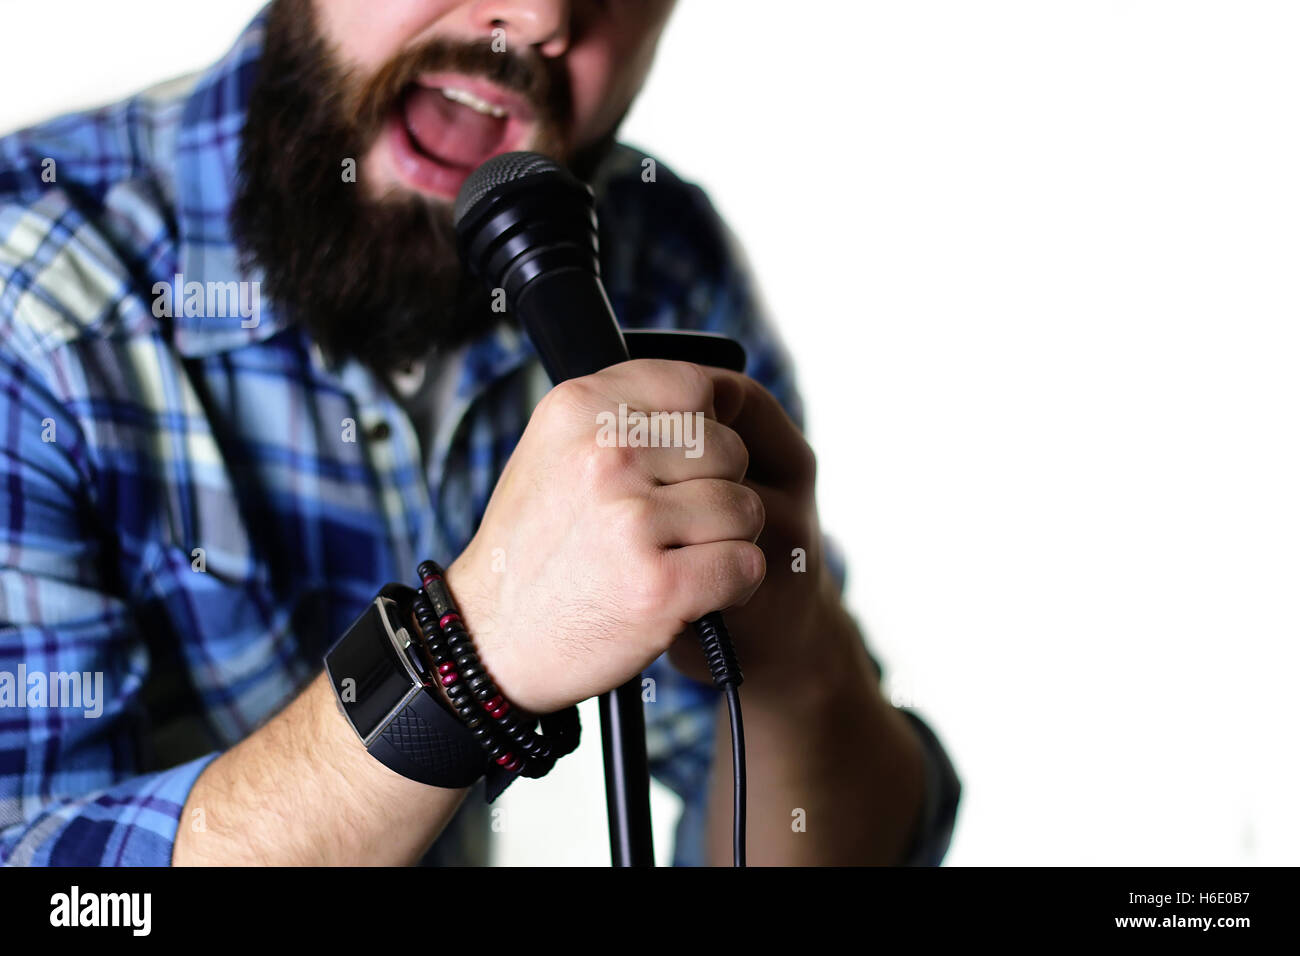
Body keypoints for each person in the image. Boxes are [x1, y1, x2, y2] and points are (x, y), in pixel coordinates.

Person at [0, 0, 959, 866]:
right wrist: (464, 655)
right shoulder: (29, 300)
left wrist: (798, 665)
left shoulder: (648, 255)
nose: (543, 15)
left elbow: (804, 835)